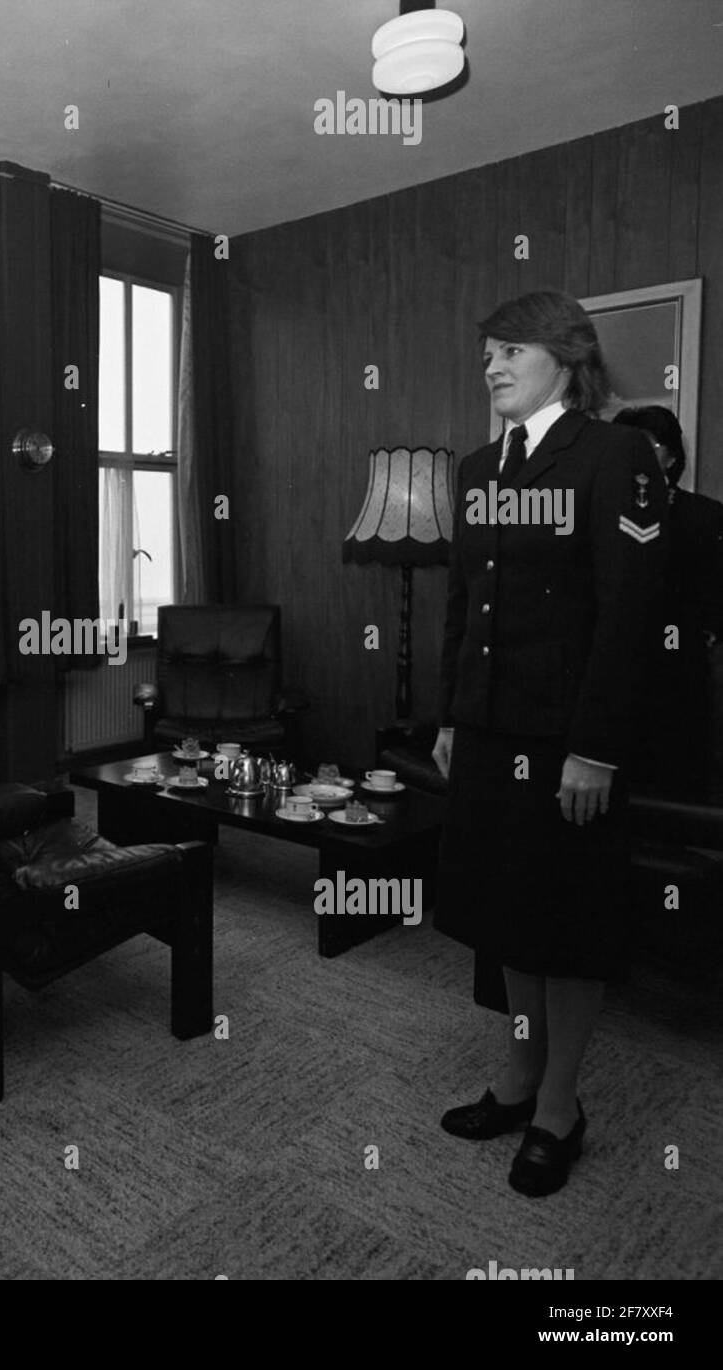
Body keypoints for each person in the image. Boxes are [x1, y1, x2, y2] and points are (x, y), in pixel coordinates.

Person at [432, 290, 666, 1198]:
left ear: (566, 358)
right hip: (490, 734)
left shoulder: (615, 455)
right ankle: (519, 1079)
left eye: (510, 351)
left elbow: (630, 615)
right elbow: (463, 603)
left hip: (569, 742)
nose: (491, 366)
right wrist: (452, 716)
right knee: (507, 917)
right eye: (486, 352)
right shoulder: (477, 466)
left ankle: (561, 1107)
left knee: (567, 926)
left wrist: (597, 749)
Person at [612, 405, 723, 799]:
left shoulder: (705, 516)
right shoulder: (600, 511)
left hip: (678, 665)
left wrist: (705, 631)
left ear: (671, 456)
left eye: (647, 445)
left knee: (675, 776)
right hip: (612, 664)